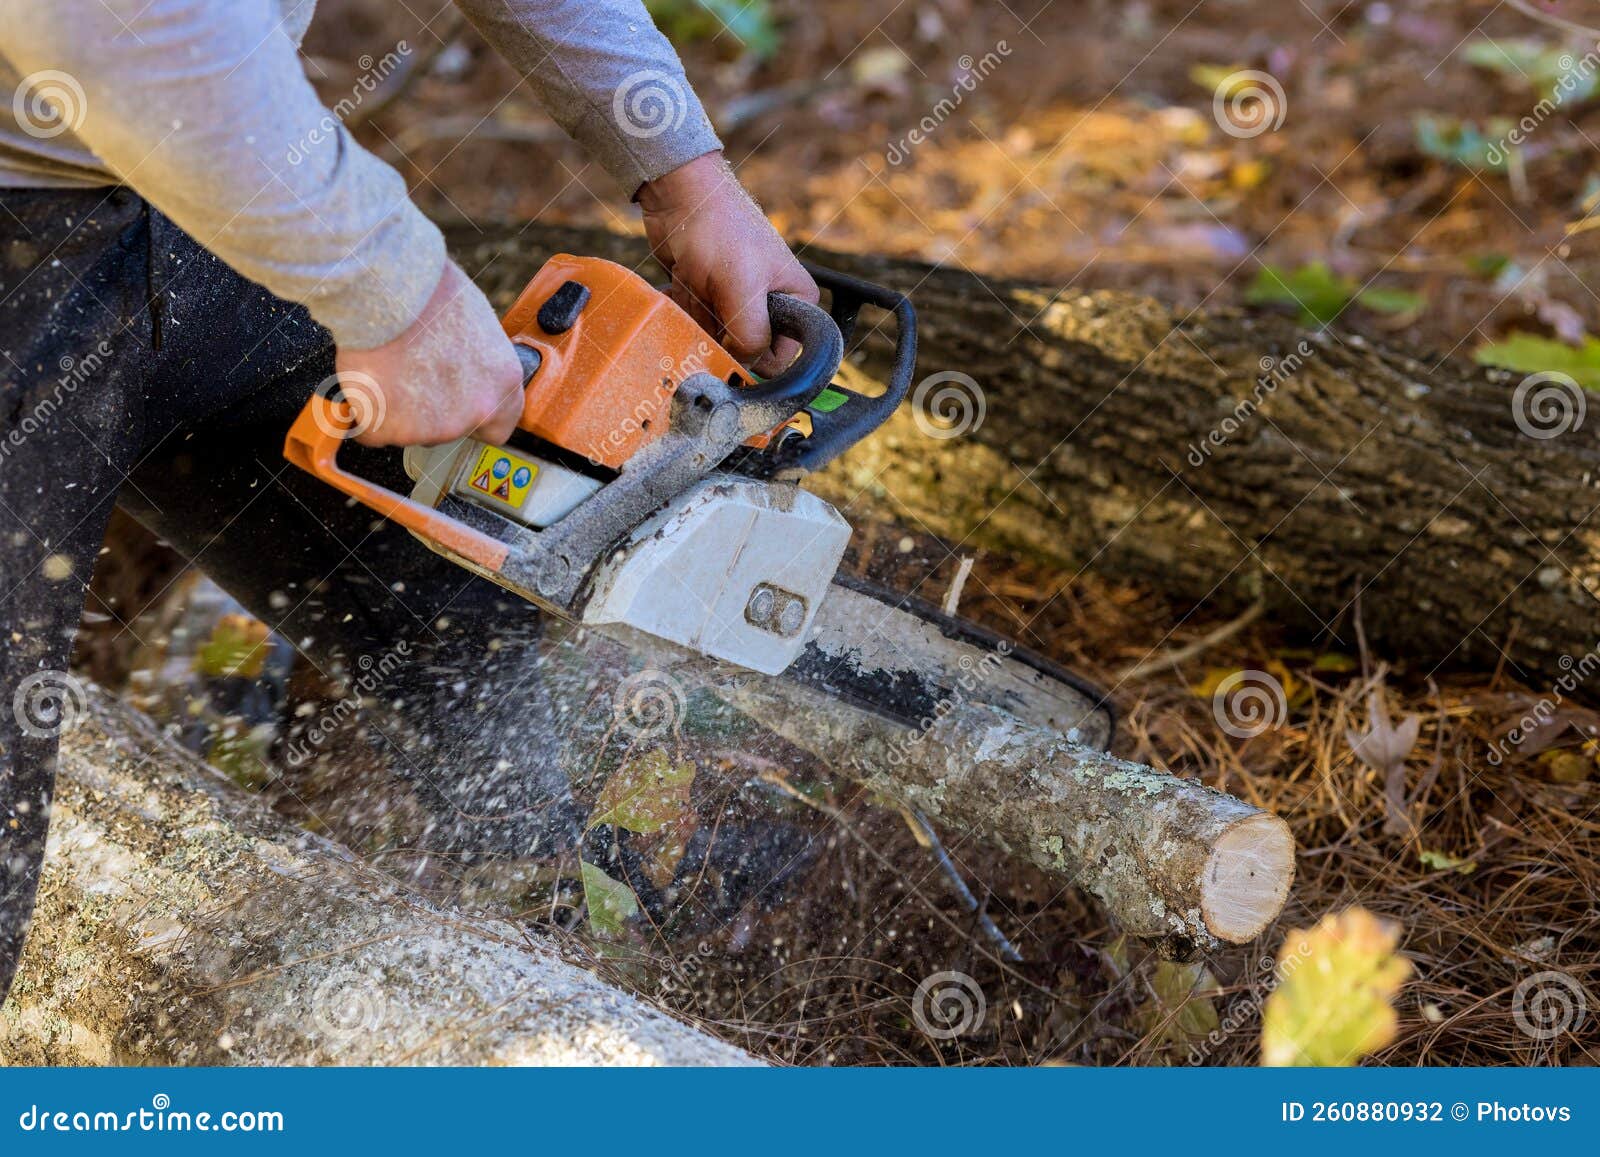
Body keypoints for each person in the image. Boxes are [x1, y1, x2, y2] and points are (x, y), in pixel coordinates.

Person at [0, 0, 818, 1004]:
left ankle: (563, 918)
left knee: (460, 583)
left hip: (192, 189)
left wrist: (682, 169)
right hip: (64, 186)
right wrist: (399, 293)